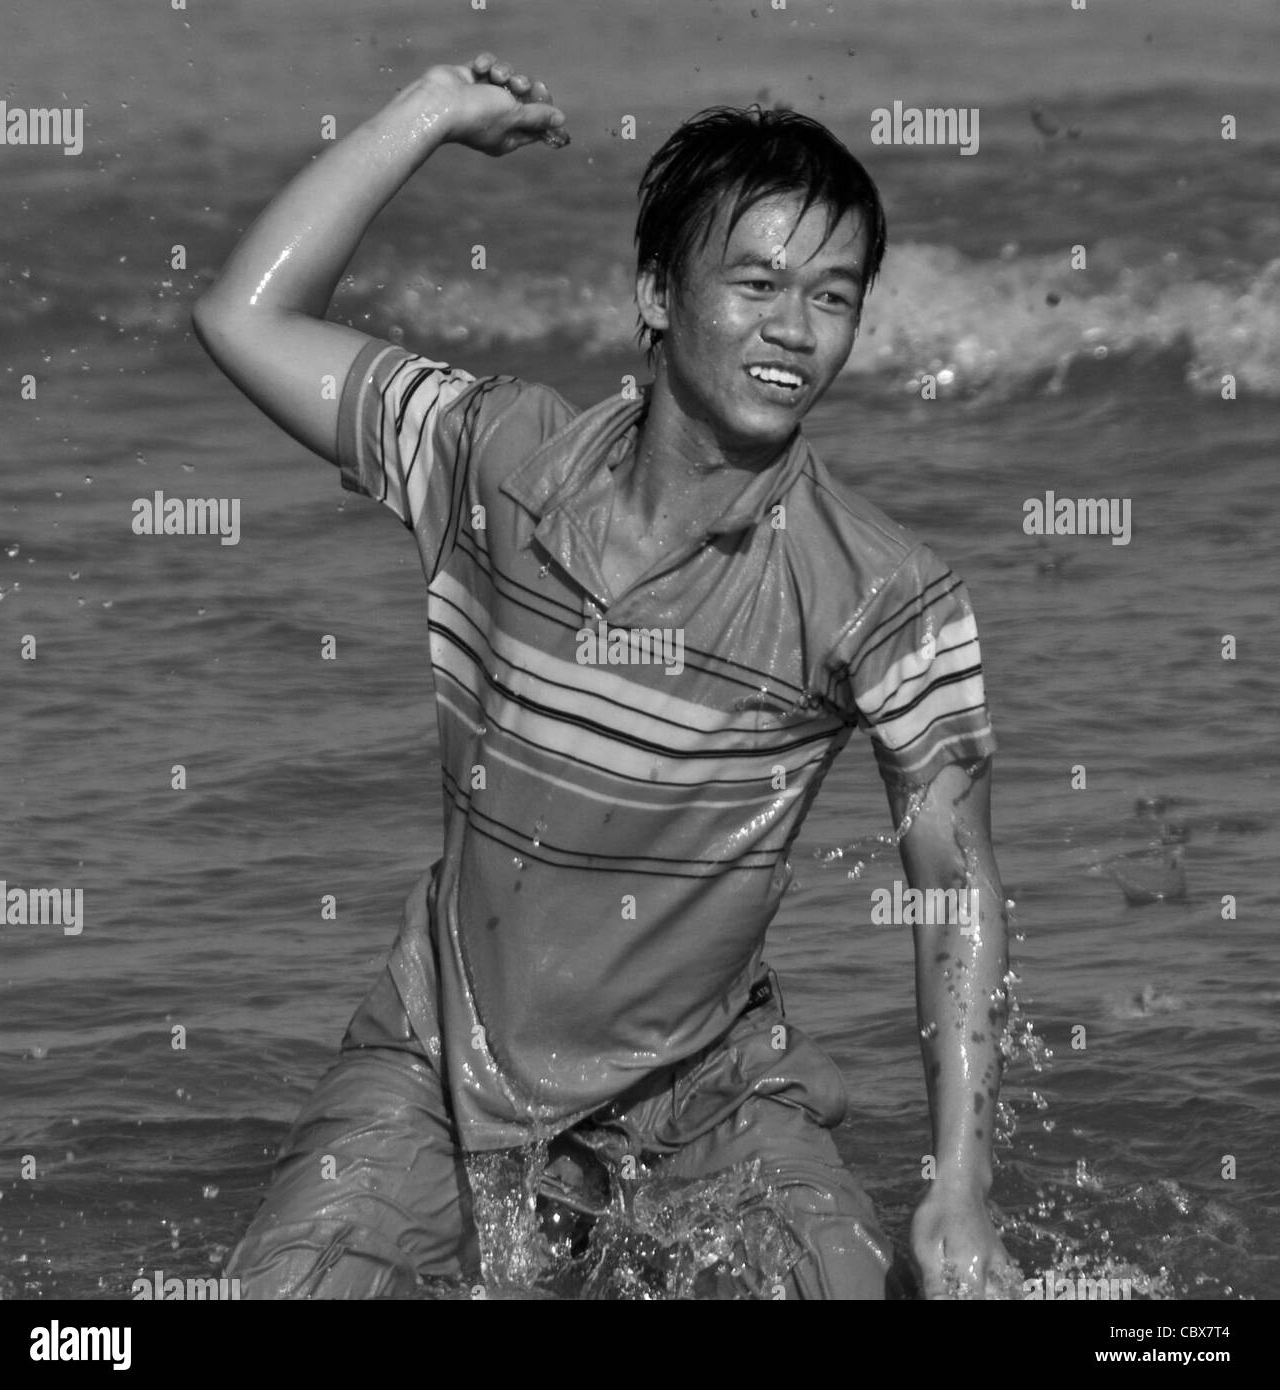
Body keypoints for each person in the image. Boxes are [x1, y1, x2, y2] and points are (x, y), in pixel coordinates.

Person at [193, 51, 1014, 1300]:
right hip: (440, 1059)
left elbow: (952, 882)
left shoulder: (885, 593)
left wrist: (959, 1186)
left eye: (835, 298)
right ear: (653, 293)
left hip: (705, 1098)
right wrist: (427, 115)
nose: (797, 330)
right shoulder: (486, 457)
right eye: (757, 283)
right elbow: (241, 319)